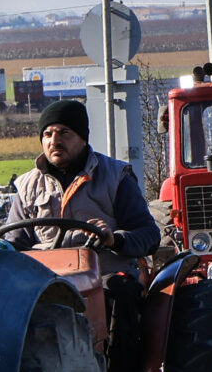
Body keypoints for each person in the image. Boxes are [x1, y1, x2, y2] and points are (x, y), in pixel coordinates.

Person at [9, 97, 162, 263]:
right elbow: (12, 244)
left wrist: (114, 240)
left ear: (83, 138)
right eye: (48, 134)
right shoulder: (27, 186)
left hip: (103, 276)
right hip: (47, 281)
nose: (54, 141)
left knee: (117, 286)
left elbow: (149, 235)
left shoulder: (116, 176)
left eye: (64, 133)